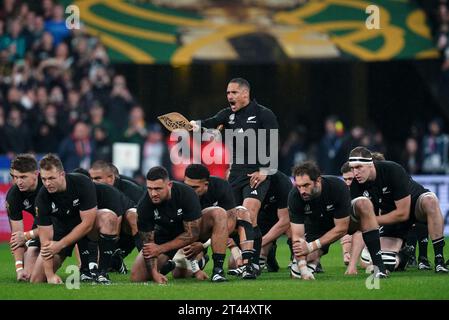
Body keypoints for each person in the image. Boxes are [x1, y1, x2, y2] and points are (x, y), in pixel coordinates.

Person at [190, 77, 279, 275]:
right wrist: (194, 126)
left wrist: (265, 171)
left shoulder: (264, 114)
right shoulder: (227, 115)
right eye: (228, 93)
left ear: (245, 94)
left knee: (249, 211)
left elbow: (274, 145)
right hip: (235, 173)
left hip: (257, 172)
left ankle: (252, 263)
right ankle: (234, 256)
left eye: (234, 93)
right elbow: (208, 124)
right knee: (230, 219)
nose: (229, 96)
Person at [348, 146, 448, 273]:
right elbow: (361, 226)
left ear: (370, 164)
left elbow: (403, 214)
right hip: (391, 218)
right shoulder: (356, 186)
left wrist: (370, 220)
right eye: (352, 168)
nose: (355, 172)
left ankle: (439, 261)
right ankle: (404, 255)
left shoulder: (392, 170)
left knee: (430, 200)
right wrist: (352, 264)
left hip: (414, 208)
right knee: (384, 262)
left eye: (358, 167)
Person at [130, 166, 229, 283]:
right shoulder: (144, 206)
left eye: (158, 189)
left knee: (219, 213)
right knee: (137, 277)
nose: (153, 193)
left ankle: (217, 270)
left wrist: (161, 249)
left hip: (186, 235)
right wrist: (154, 273)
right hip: (163, 236)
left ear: (169, 185)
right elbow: (149, 246)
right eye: (150, 189)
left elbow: (192, 234)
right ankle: (173, 264)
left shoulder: (186, 194)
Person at [30, 154, 118, 284]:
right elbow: (45, 241)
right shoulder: (42, 198)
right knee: (37, 279)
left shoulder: (81, 182)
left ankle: (102, 273)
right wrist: (49, 275)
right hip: (60, 230)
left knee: (108, 217)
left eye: (51, 178)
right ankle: (81, 269)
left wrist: (60, 245)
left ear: (62, 174)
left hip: (85, 227)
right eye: (44, 179)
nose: (47, 183)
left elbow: (87, 224)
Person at [175, 164, 255, 280]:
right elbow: (182, 228)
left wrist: (204, 245)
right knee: (180, 274)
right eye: (188, 186)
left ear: (206, 184)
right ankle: (201, 261)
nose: (190, 191)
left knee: (241, 212)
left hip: (220, 230)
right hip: (194, 234)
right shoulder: (180, 193)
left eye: (195, 187)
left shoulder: (221, 186)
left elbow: (231, 222)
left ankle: (244, 266)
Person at [288, 161, 354, 280]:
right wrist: (303, 270)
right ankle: (312, 264)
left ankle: (374, 261)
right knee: (296, 273)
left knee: (362, 206)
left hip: (342, 223)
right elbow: (298, 238)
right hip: (315, 226)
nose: (302, 190)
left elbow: (342, 228)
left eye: (306, 185)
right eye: (299, 186)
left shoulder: (337, 187)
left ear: (318, 181)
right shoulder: (294, 196)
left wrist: (311, 246)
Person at [72, 168, 135, 283]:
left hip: (122, 231)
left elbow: (116, 228)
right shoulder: (70, 197)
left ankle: (108, 267)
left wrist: (99, 259)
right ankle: (85, 270)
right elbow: (75, 230)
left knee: (110, 220)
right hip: (92, 230)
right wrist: (82, 263)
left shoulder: (108, 192)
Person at [89, 160, 145, 274]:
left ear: (110, 178)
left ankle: (146, 261)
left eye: (97, 178)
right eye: (92, 178)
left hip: (128, 233)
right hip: (108, 231)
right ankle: (113, 260)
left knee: (133, 216)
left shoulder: (132, 189)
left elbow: (144, 221)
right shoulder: (90, 190)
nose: (93, 182)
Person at [6, 154, 42, 281]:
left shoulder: (48, 186)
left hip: (64, 225)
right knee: (31, 276)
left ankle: (85, 267)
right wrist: (19, 269)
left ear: (36, 174)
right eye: (15, 177)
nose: (18, 182)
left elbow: (56, 225)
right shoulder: (13, 195)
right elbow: (17, 235)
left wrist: (26, 236)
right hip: (41, 227)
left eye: (23, 177)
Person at [257, 170, 292, 272]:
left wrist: (256, 245)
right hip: (261, 214)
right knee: (232, 263)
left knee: (293, 225)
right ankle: (268, 256)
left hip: (282, 212)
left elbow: (285, 220)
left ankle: (297, 259)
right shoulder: (239, 182)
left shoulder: (281, 182)